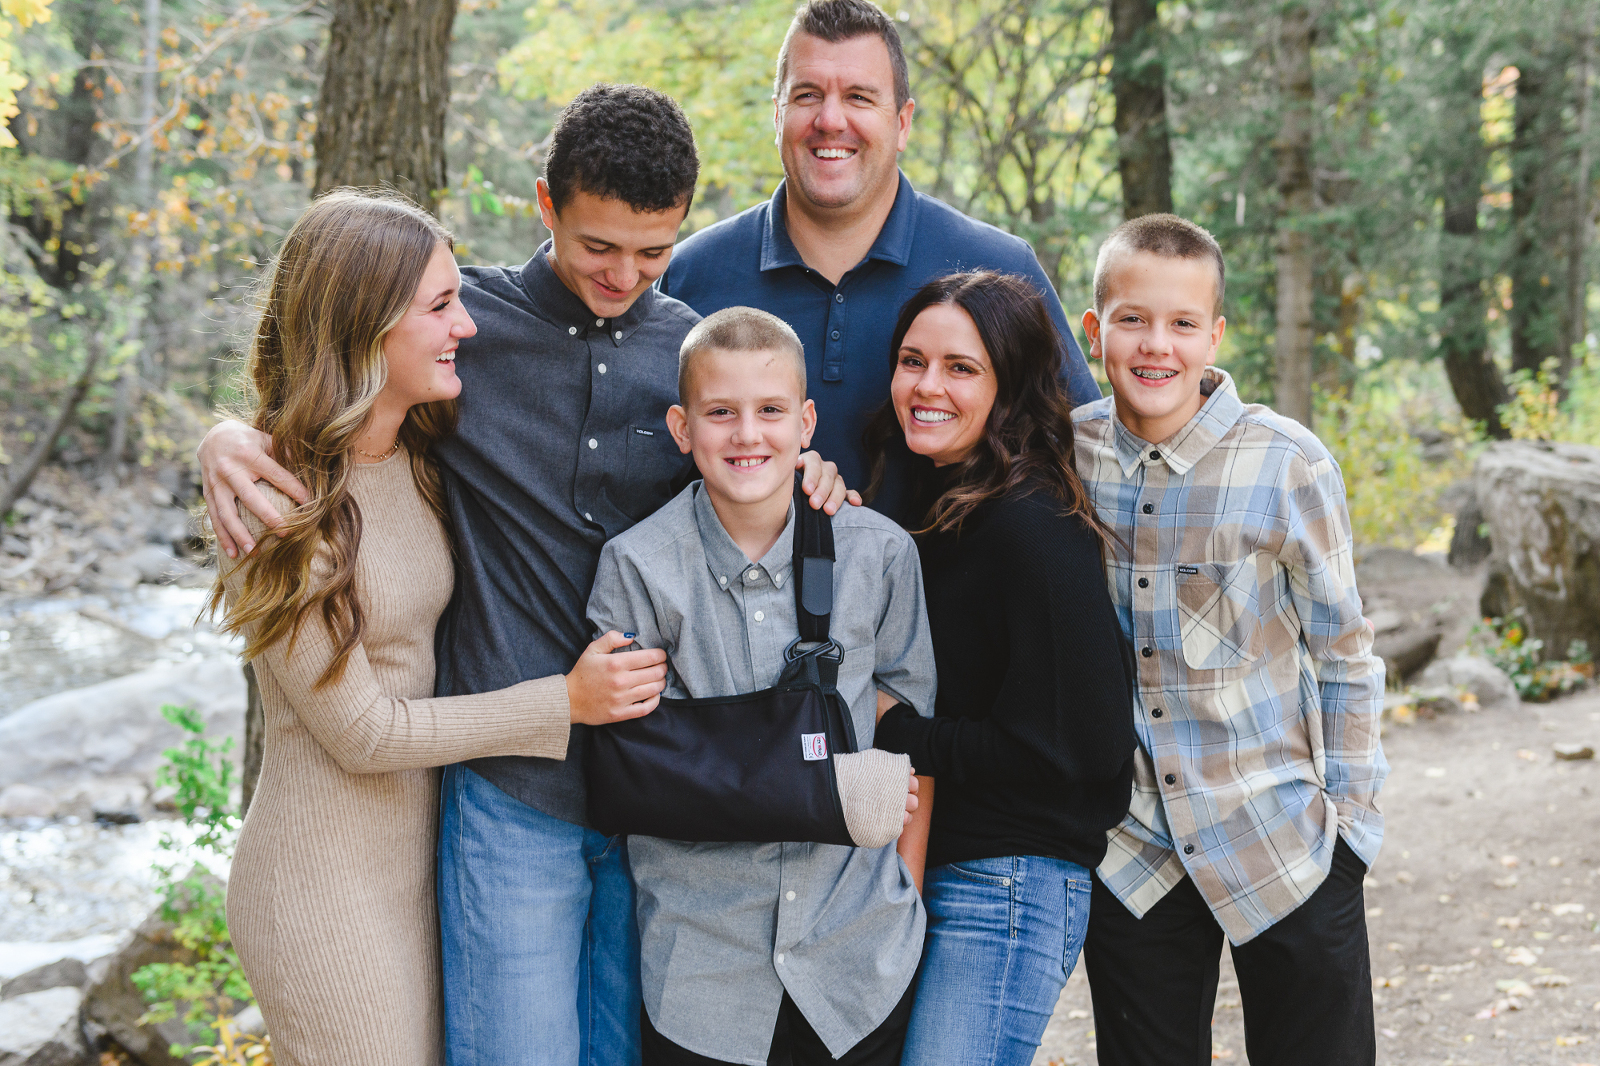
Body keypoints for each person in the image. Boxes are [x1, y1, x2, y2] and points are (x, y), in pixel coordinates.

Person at [195, 87, 852, 1066]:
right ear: (546, 204)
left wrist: (801, 472)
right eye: (599, 246)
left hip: (653, 802)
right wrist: (224, 437)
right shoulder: (468, 333)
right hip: (505, 803)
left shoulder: (692, 359)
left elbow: (747, 491)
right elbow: (330, 396)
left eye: (653, 251)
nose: (623, 274)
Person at [211, 189, 633, 1065]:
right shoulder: (280, 502)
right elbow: (362, 732)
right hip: (321, 888)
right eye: (440, 307)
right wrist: (563, 703)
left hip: (415, 873)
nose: (466, 327)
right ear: (366, 326)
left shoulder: (420, 453)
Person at [1072, 214, 1387, 1065]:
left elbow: (1345, 654)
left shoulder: (1288, 465)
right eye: (1133, 320)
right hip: (1134, 856)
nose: (1156, 345)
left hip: (1281, 838)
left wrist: (1351, 833)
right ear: (1095, 329)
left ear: (1214, 335)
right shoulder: (1068, 456)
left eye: (1182, 324)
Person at [586, 307, 936, 1066]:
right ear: (682, 429)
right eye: (721, 413)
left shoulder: (878, 554)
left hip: (859, 956)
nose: (748, 435)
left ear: (806, 421)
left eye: (770, 411)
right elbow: (635, 764)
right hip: (702, 967)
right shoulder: (639, 567)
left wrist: (905, 887)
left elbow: (910, 731)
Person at [659, 0, 1101, 521]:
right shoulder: (690, 274)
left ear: (903, 122)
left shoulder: (997, 268)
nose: (830, 119)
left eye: (859, 97)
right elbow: (649, 470)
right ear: (777, 114)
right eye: (807, 95)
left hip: (956, 598)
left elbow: (1087, 463)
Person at [859, 272, 1137, 1066]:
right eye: (913, 361)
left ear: (1008, 385)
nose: (927, 386)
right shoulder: (942, 504)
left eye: (961, 368)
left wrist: (900, 733)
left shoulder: (1030, 523)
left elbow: (1080, 751)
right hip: (935, 867)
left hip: (1010, 886)